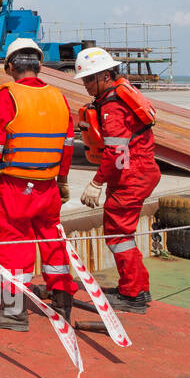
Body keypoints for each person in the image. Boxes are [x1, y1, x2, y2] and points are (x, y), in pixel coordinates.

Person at [0, 38, 77, 330]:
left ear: (10, 66)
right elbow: (66, 144)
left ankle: (14, 312)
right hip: (48, 185)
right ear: (39, 65)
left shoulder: (8, 95)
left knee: (13, 242)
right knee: (53, 242)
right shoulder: (58, 97)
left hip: (16, 186)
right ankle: (62, 303)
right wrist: (62, 180)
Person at [75, 46, 158, 313]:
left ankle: (132, 295)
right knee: (124, 234)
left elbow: (117, 153)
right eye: (85, 79)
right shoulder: (117, 97)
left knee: (118, 233)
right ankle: (137, 289)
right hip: (139, 169)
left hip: (132, 172)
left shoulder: (112, 106)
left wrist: (96, 182)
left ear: (105, 76)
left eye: (89, 79)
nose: (86, 85)